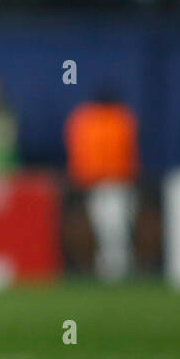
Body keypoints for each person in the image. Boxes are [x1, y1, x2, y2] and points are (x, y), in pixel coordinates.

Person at [64, 90, 139, 282]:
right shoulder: (121, 118)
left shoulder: (86, 118)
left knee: (112, 227)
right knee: (112, 228)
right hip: (111, 182)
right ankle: (113, 267)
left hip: (105, 182)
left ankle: (114, 267)